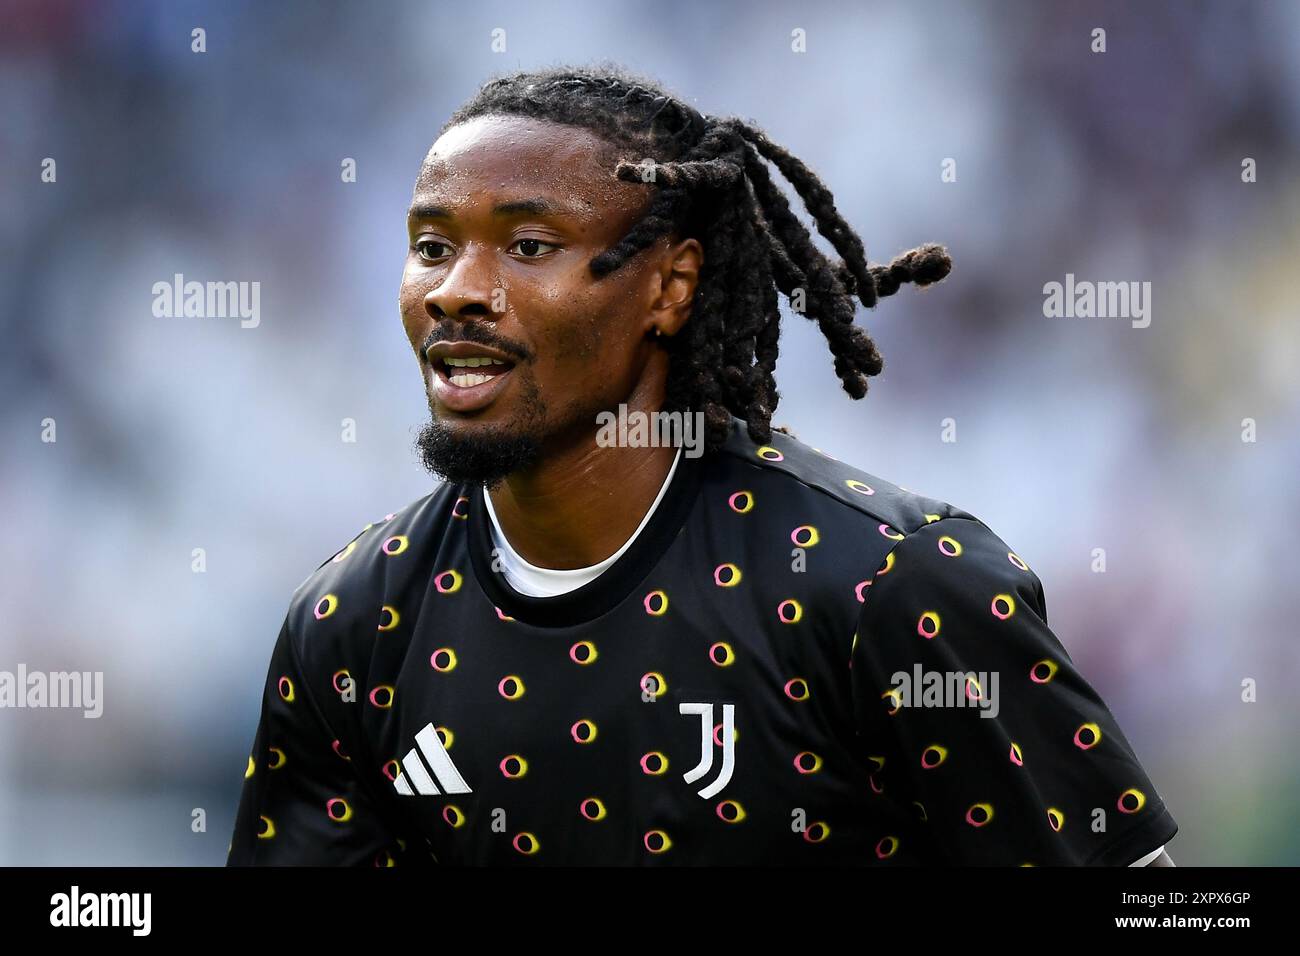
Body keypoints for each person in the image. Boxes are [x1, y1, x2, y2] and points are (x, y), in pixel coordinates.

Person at [227, 64, 1177, 866]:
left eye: (528, 245)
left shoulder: (889, 587)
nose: (458, 292)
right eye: (432, 246)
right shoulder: (351, 628)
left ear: (671, 287)